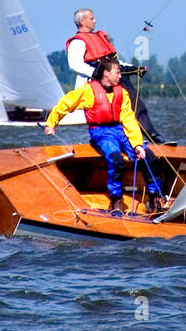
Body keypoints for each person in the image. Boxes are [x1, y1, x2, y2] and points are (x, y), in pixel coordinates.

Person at [44, 60, 165, 215]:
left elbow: (129, 120)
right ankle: (115, 202)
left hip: (120, 131)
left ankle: (154, 199)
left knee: (149, 158)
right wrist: (51, 123)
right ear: (106, 73)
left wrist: (137, 145)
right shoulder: (88, 91)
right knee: (116, 160)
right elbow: (66, 103)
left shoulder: (122, 93)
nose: (120, 76)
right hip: (101, 133)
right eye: (117, 72)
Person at [65, 8, 164, 143]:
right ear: (82, 21)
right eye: (92, 18)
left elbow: (116, 62)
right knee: (109, 111)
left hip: (115, 78)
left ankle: (152, 136)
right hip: (96, 83)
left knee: (134, 102)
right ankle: (113, 139)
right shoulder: (78, 42)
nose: (95, 21)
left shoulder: (100, 38)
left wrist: (134, 69)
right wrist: (96, 73)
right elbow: (75, 64)